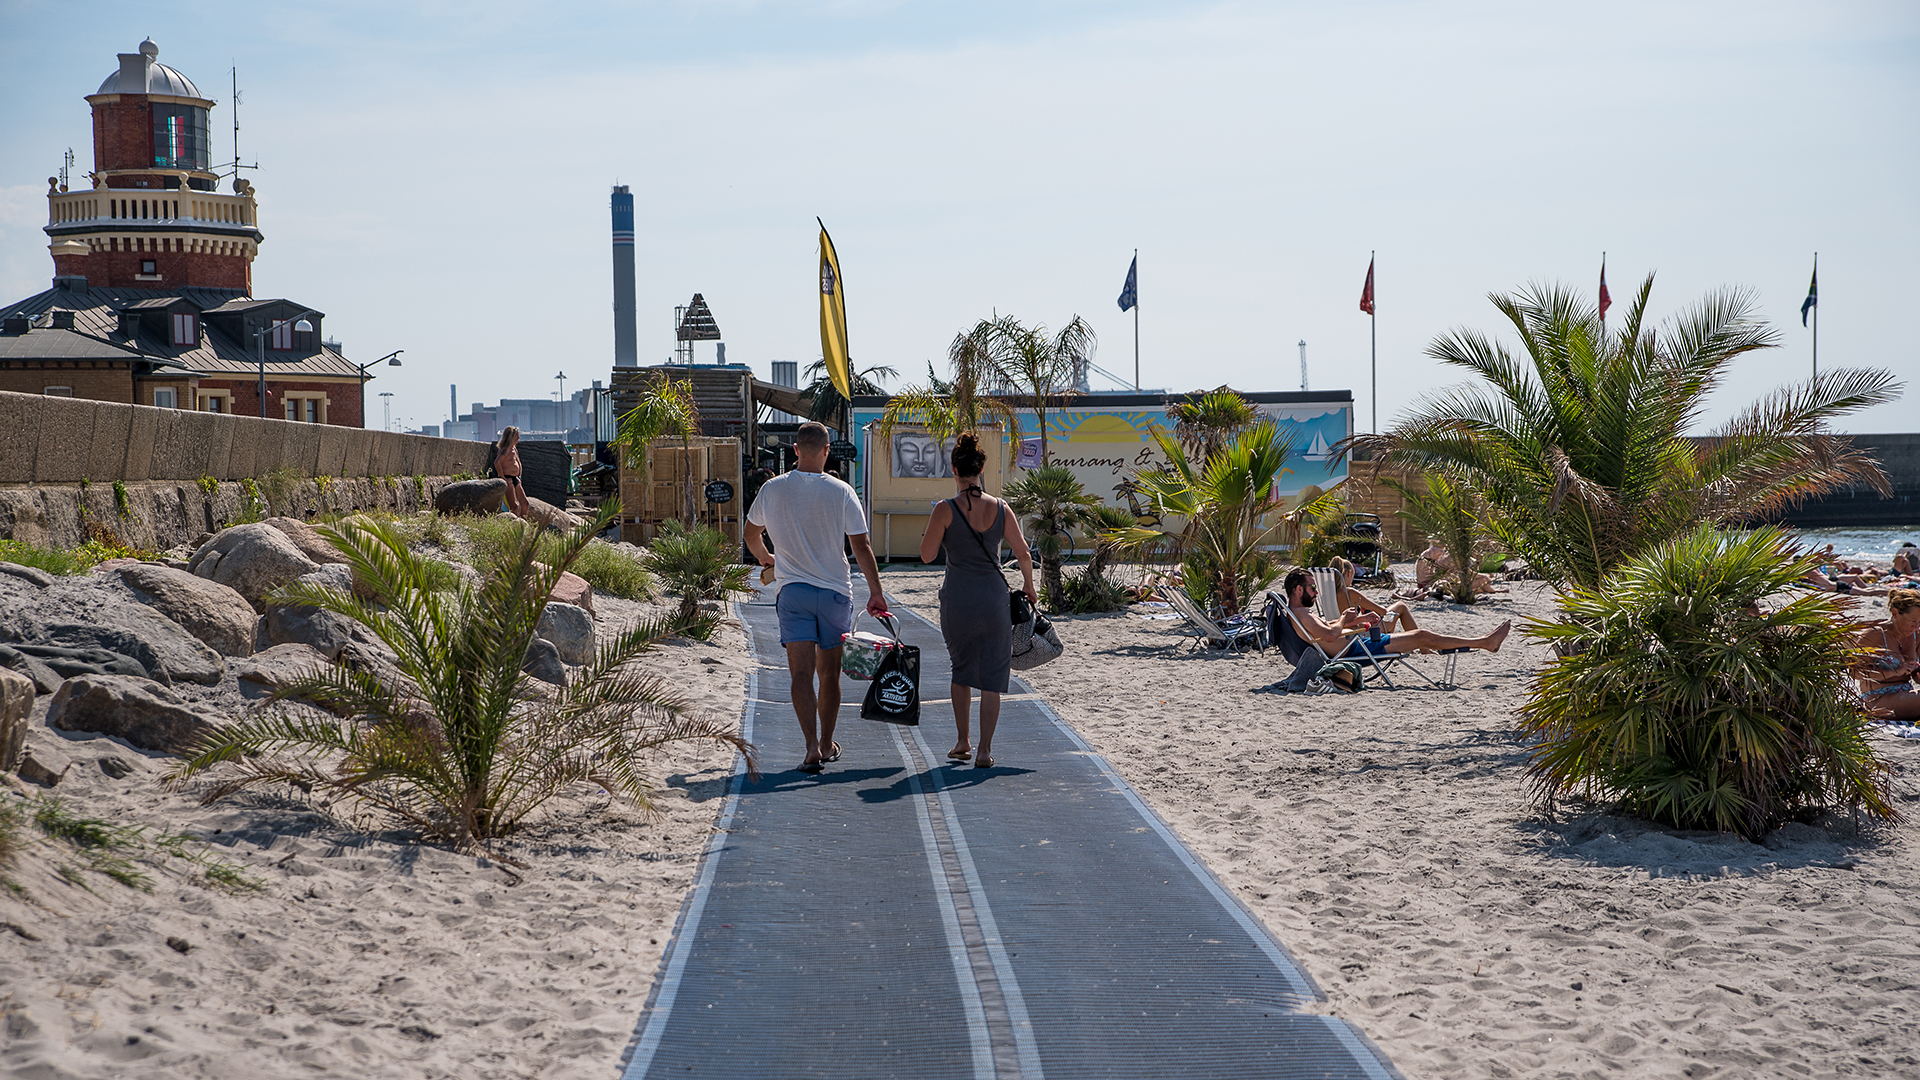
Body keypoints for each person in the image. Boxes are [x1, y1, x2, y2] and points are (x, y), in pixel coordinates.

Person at [745, 422, 888, 773]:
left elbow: (750, 534)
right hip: (835, 592)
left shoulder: (772, 489)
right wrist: (876, 592)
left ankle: (810, 746)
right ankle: (826, 743)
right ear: (826, 451)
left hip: (793, 592)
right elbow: (861, 546)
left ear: (795, 450)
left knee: (800, 674)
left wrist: (767, 559)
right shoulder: (842, 491)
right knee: (829, 674)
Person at [918, 433, 1036, 770]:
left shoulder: (945, 509)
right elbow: (1023, 553)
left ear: (954, 469)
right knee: (992, 677)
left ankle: (962, 741)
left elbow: (926, 555)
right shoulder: (1001, 508)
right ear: (981, 469)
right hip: (994, 600)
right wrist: (1029, 586)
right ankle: (984, 750)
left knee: (962, 670)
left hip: (958, 600)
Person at [1285, 566, 1509, 662]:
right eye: (1312, 588)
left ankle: (1481, 642)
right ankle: (1484, 642)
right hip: (1357, 649)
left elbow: (1327, 628)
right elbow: (1330, 635)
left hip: (1357, 643)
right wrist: (1344, 618)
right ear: (1298, 590)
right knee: (1421, 635)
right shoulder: (1303, 615)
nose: (1316, 592)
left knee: (1421, 635)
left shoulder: (1299, 613)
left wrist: (1358, 619)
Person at [1854, 589, 1920, 720]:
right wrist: (1895, 671)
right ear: (1895, 613)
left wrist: (1916, 671)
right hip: (1877, 697)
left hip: (1905, 694)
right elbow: (1855, 672)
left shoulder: (1916, 636)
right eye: (1912, 621)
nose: (1916, 627)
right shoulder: (1874, 635)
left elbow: (1916, 675)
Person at [1328, 555, 1418, 631]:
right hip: (1361, 631)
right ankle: (1420, 644)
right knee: (1401, 606)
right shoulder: (1349, 592)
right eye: (1352, 575)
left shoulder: (1327, 594)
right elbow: (1383, 611)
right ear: (1349, 573)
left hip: (1339, 630)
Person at [494, 426, 532, 520]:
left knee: (525, 504)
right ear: (511, 436)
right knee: (514, 507)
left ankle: (522, 524)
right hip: (508, 478)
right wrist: (503, 478)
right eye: (516, 436)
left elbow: (518, 462)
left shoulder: (514, 449)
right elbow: (497, 462)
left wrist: (519, 476)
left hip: (516, 479)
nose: (518, 438)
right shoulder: (505, 449)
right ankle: (513, 524)